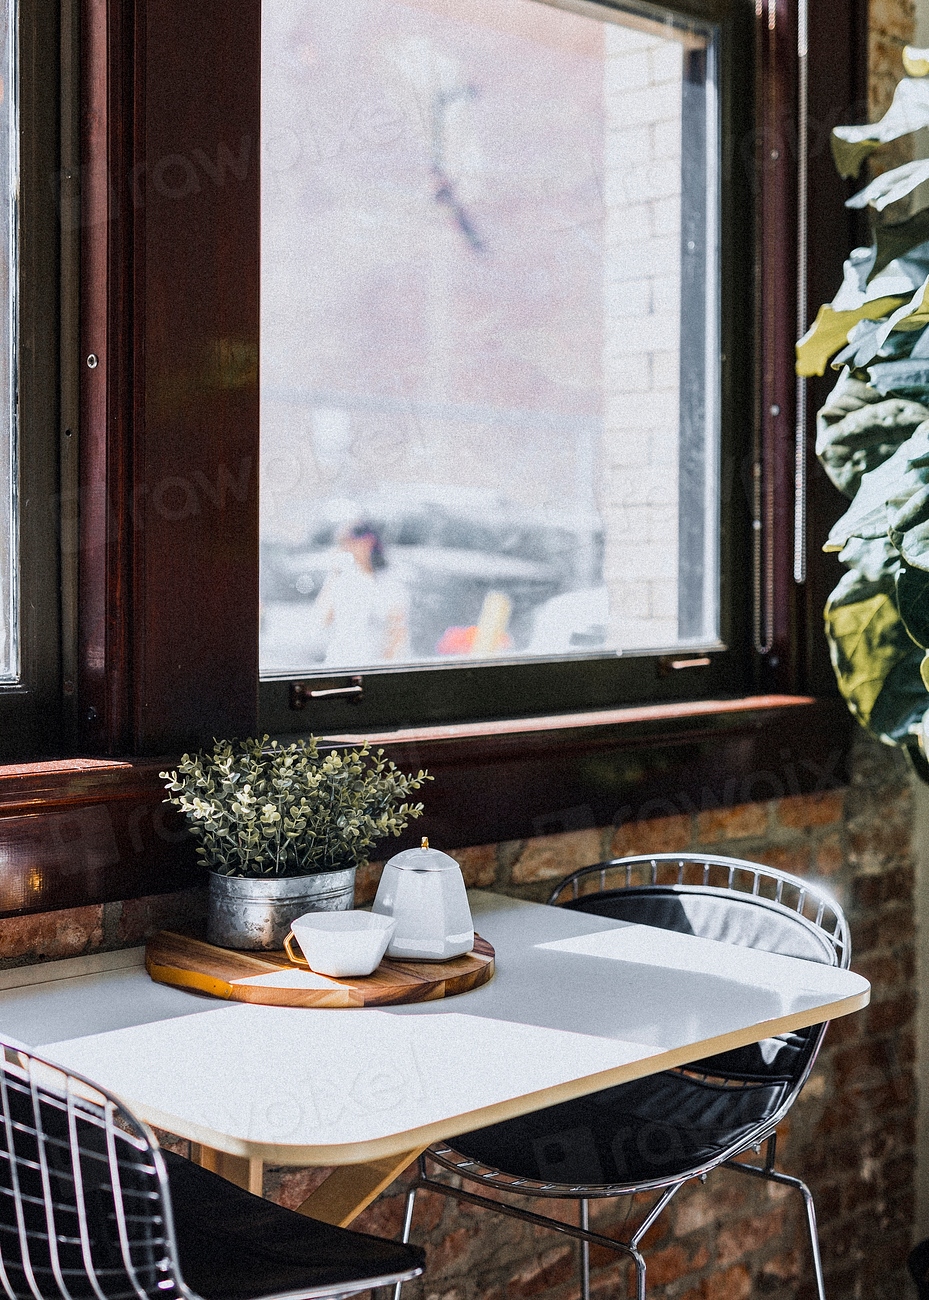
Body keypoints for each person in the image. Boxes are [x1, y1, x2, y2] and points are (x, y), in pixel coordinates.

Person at [313, 523, 409, 668]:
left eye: (351, 542)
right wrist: (334, 574)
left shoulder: (388, 582)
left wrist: (383, 669)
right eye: (343, 544)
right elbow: (322, 620)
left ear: (369, 542)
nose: (347, 548)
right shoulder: (343, 578)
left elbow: (397, 632)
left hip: (372, 665)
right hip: (340, 663)